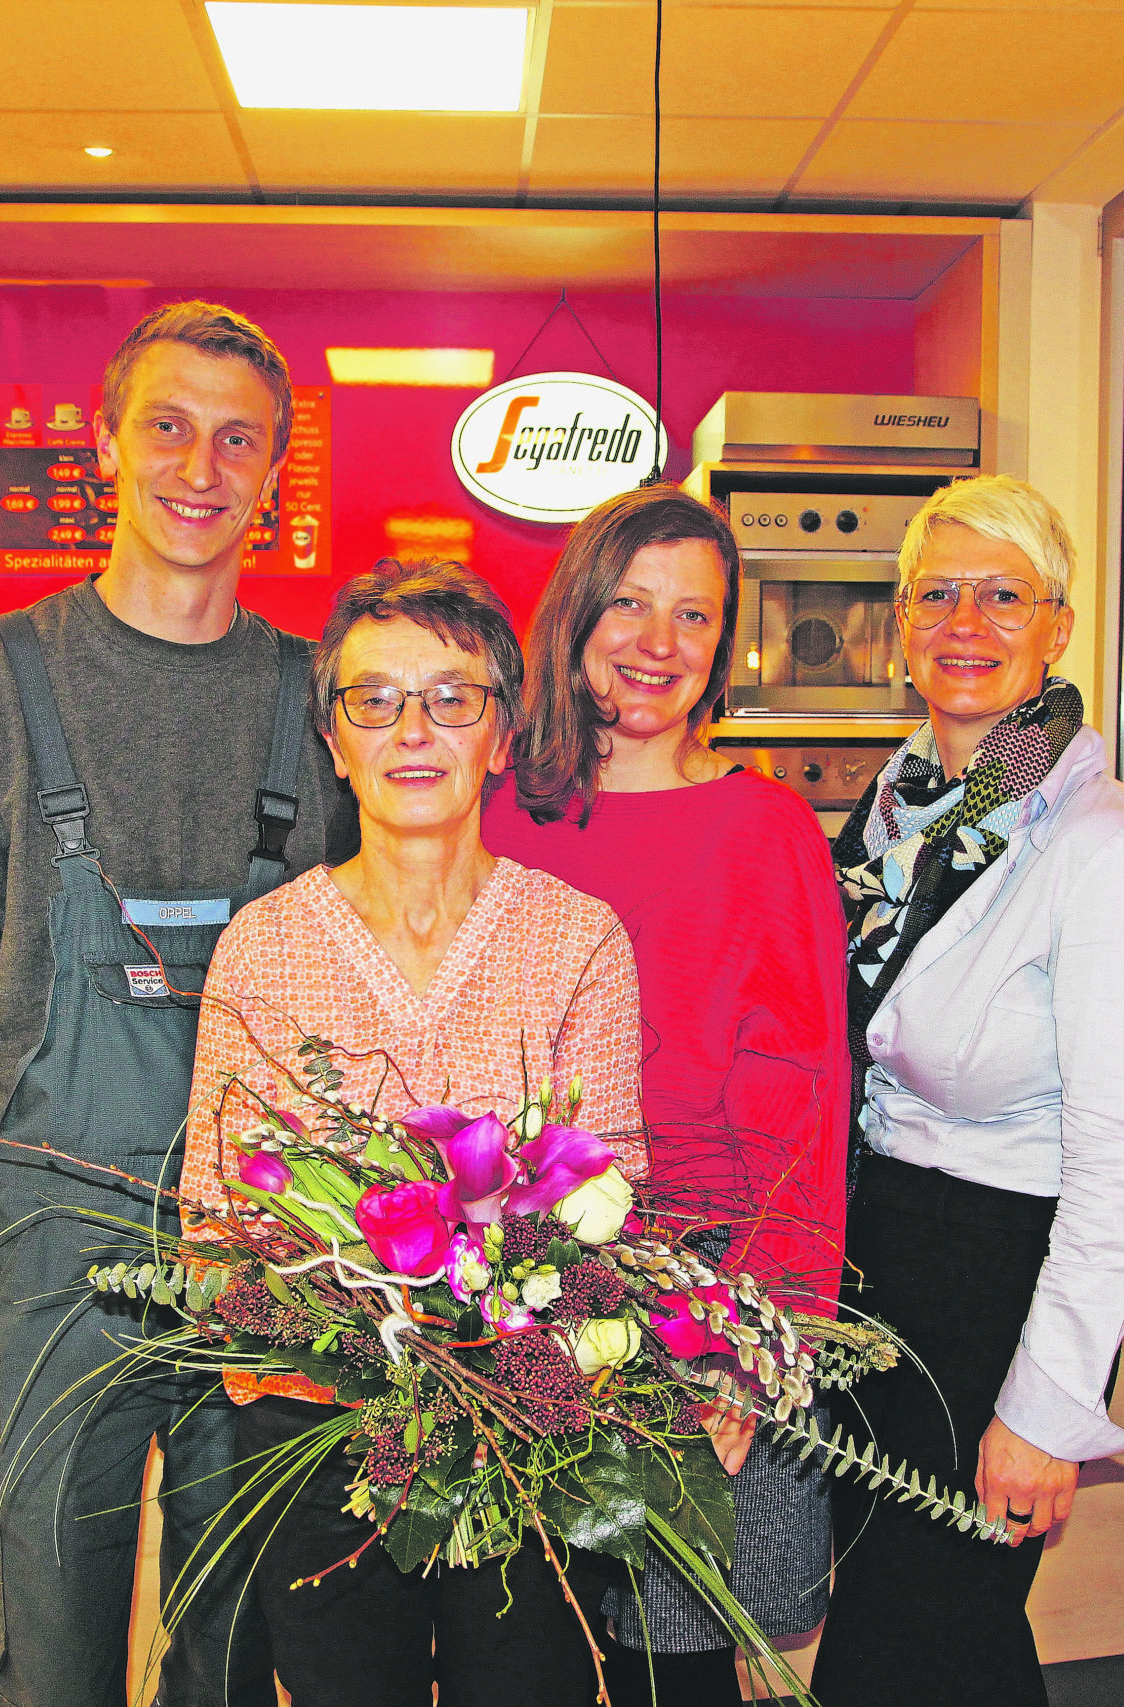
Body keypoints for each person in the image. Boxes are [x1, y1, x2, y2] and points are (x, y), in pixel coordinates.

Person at [0, 301, 353, 1707]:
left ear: (274, 473)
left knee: (234, 1649)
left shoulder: (318, 697)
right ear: (103, 444)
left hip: (268, 1258)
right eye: (167, 424)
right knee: (48, 1644)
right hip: (47, 1263)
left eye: (237, 440)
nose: (199, 467)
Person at [181, 558, 646, 1707]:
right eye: (372, 700)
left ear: (500, 732)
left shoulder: (579, 939)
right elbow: (214, 1217)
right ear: (333, 742)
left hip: (525, 1436)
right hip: (318, 1439)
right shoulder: (263, 947)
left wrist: (500, 1334)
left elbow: (615, 1198)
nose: (412, 731)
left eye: (452, 697)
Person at [812, 475, 1124, 1707]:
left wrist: (1046, 1407)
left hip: (1005, 1281)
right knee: (941, 1636)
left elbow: (1116, 1163)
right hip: (887, 1264)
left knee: (896, 1648)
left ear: (1055, 628)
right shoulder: (900, 813)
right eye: (937, 592)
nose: (965, 621)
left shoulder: (1105, 849)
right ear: (900, 621)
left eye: (1002, 594)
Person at [480, 483, 848, 1703]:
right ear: (576, 616)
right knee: (539, 1649)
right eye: (630, 605)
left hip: (712, 1283)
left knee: (703, 1653)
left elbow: (800, 1102)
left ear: (722, 646)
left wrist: (751, 1340)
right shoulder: (499, 818)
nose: (656, 643)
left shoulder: (768, 831)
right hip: (517, 1292)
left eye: (693, 617)